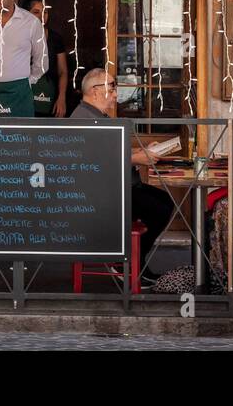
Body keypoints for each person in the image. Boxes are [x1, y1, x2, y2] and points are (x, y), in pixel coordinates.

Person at [69, 68, 172, 281]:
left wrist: (140, 152)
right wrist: (136, 158)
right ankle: (126, 263)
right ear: (96, 91)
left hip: (118, 187)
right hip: (101, 196)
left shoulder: (96, 115)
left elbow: (110, 149)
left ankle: (134, 261)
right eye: (112, 87)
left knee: (164, 202)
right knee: (160, 209)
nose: (116, 94)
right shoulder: (83, 118)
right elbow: (93, 158)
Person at [26, 0, 70, 119]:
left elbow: (63, 71)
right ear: (26, 14)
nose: (42, 16)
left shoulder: (55, 38)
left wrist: (61, 98)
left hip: (50, 96)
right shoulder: (19, 37)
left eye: (45, 12)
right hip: (24, 97)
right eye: (36, 12)